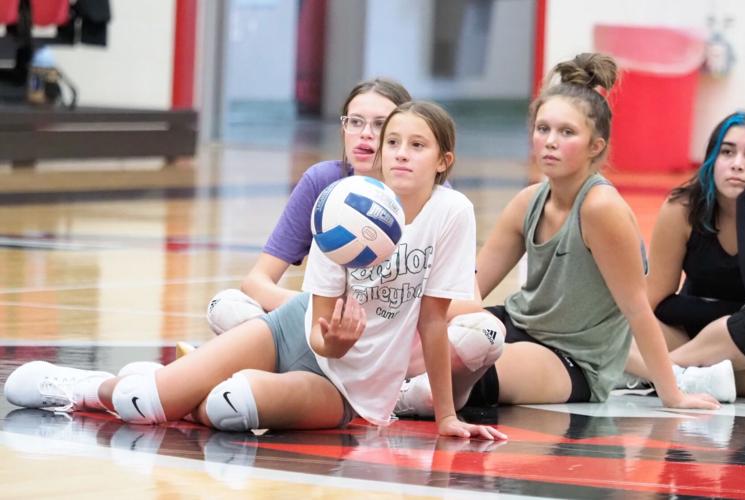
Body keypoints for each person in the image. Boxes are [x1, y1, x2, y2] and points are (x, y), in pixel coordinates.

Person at [4, 101, 506, 441]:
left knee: (230, 406)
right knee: (143, 402)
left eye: (416, 145)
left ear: (444, 160)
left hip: (347, 386)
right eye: (393, 142)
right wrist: (334, 338)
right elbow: (317, 326)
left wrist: (446, 415)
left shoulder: (452, 213)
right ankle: (85, 388)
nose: (400, 153)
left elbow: (434, 321)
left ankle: (185, 380)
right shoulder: (343, 205)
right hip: (295, 332)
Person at [395, 53, 723, 417]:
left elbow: (637, 310)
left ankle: (410, 390)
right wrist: (407, 318)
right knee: (419, 340)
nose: (550, 141)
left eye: (566, 132)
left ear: (595, 147)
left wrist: (672, 394)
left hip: (571, 359)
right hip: (514, 325)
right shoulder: (528, 201)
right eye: (543, 129)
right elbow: (468, 288)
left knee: (443, 383)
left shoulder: (600, 208)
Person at [622, 111, 745, 399]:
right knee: (612, 323)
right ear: (712, 161)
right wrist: (732, 310)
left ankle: (658, 374)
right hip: (694, 341)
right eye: (727, 152)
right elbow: (656, 303)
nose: (737, 164)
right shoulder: (682, 208)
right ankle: (679, 376)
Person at [206, 78, 412, 334]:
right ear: (343, 129)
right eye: (355, 122)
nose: (365, 133)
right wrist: (321, 308)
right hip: (323, 328)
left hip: (396, 330)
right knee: (226, 305)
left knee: (472, 333)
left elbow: (453, 298)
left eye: (380, 124)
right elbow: (256, 282)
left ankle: (258, 363)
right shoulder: (322, 182)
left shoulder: (429, 192)